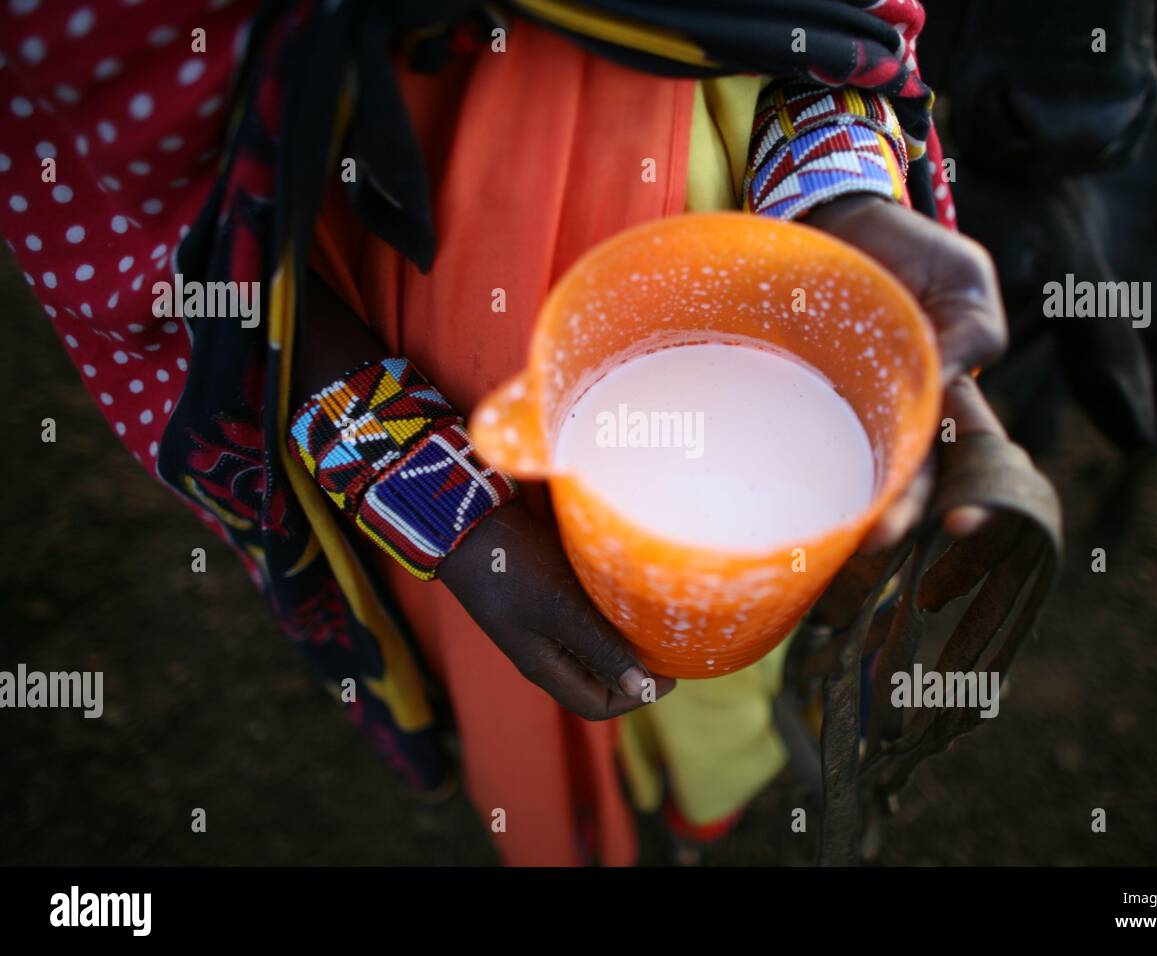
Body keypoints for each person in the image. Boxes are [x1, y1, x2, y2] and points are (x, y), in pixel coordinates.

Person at [1, 0, 1007, 865]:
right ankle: (592, 818)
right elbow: (153, 212)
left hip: (718, 172)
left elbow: (817, 20)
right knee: (532, 650)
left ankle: (705, 797)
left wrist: (834, 195)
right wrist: (433, 493)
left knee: (737, 627)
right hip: (393, 292)